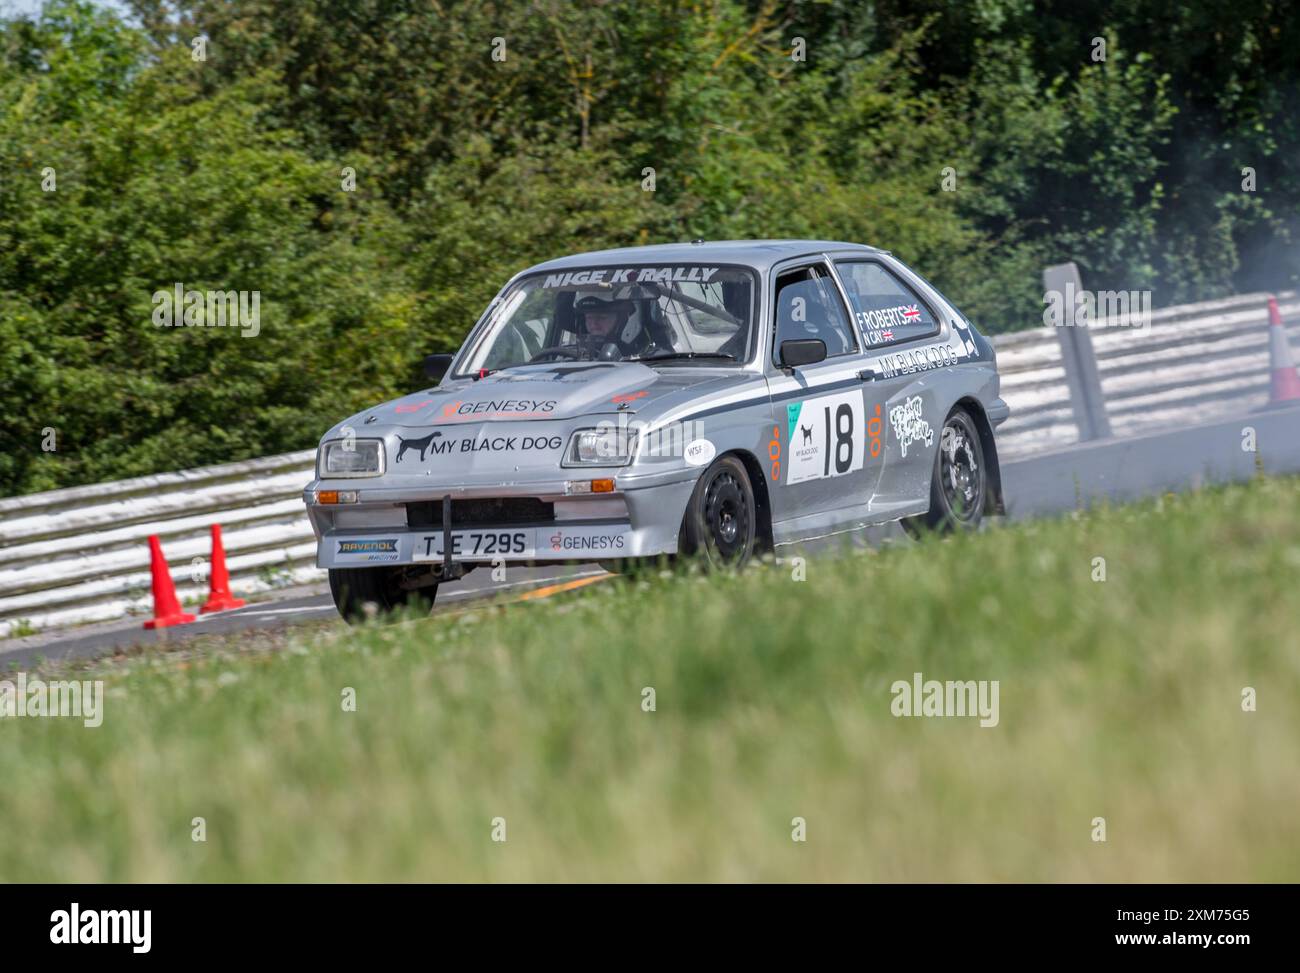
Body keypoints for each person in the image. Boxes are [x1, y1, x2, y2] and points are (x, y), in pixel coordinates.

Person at [573, 294, 641, 359]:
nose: (594, 324)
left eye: (602, 317)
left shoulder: (633, 356)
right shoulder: (572, 354)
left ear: (621, 320)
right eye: (589, 318)